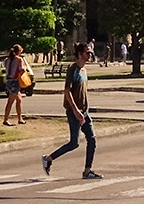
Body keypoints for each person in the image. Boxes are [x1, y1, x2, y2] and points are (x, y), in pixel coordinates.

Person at [41, 42, 101, 180]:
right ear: (80, 54)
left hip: (84, 111)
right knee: (74, 143)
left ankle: (87, 171)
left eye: (90, 53)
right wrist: (75, 110)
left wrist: (84, 109)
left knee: (92, 139)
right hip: (73, 112)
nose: (90, 55)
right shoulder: (73, 70)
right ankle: (48, 159)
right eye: (87, 53)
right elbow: (67, 91)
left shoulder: (84, 70)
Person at [3, 44, 29, 126]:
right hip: (15, 81)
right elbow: (22, 69)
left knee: (19, 99)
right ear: (19, 51)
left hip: (8, 81)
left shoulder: (7, 60)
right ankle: (6, 119)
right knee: (10, 101)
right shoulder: (19, 59)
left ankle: (20, 118)